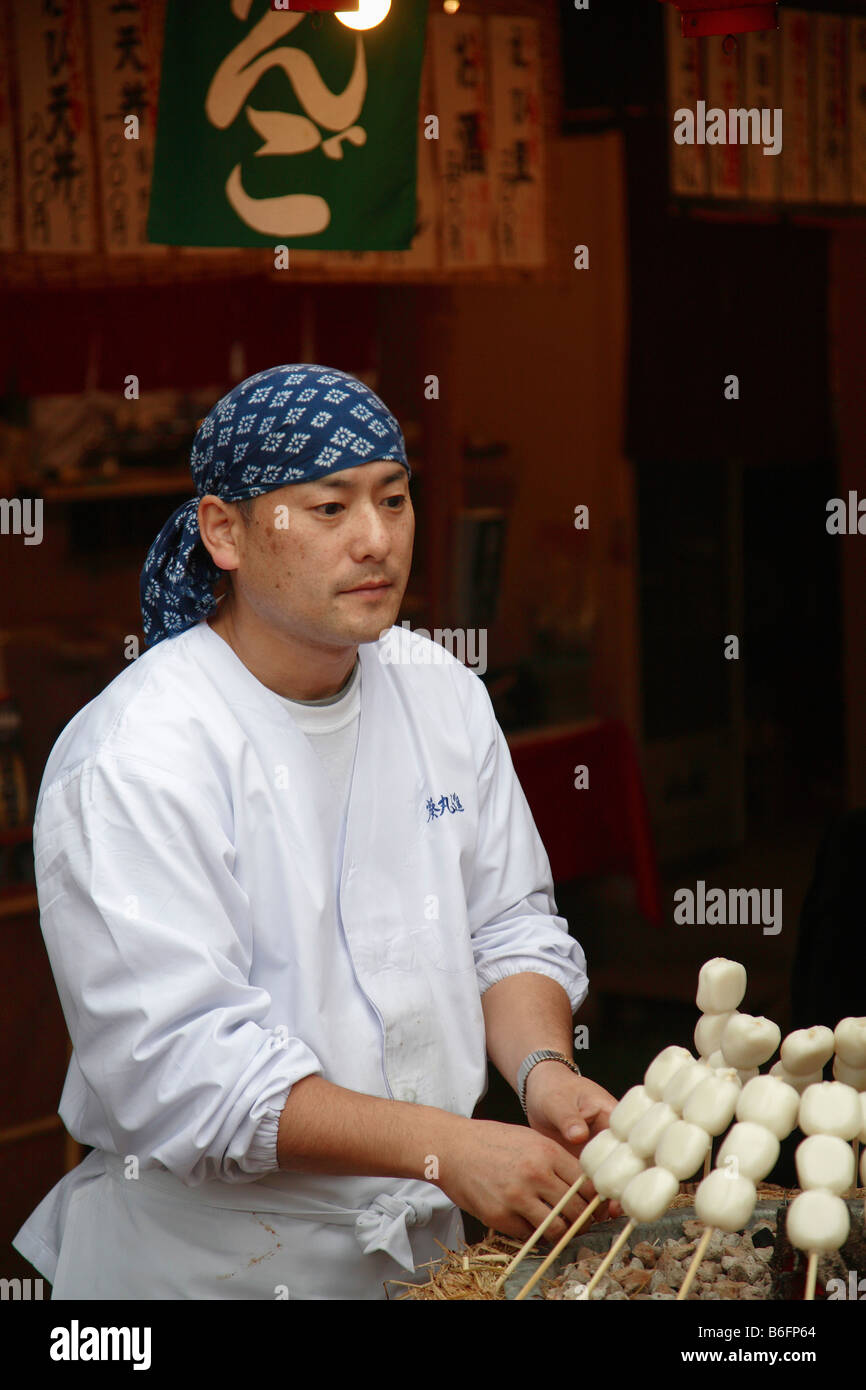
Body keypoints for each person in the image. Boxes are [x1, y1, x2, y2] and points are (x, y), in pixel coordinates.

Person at [14, 364, 617, 1300]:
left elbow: (506, 924)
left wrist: (542, 1074)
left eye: (394, 499)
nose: (376, 540)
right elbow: (194, 1069)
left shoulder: (440, 690)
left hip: (430, 1253)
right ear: (226, 531)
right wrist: (443, 1146)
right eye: (330, 508)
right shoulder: (137, 755)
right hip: (210, 1268)